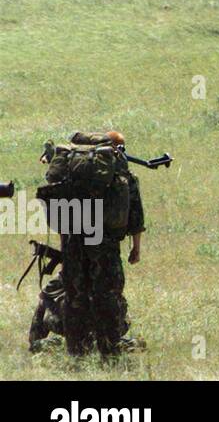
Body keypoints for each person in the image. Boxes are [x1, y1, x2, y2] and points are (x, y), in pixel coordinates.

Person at [41, 131, 145, 358]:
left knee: (75, 295)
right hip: (105, 244)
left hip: (73, 242)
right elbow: (135, 217)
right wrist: (136, 249)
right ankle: (109, 351)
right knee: (107, 295)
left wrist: (66, 242)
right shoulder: (120, 173)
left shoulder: (70, 173)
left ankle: (77, 351)